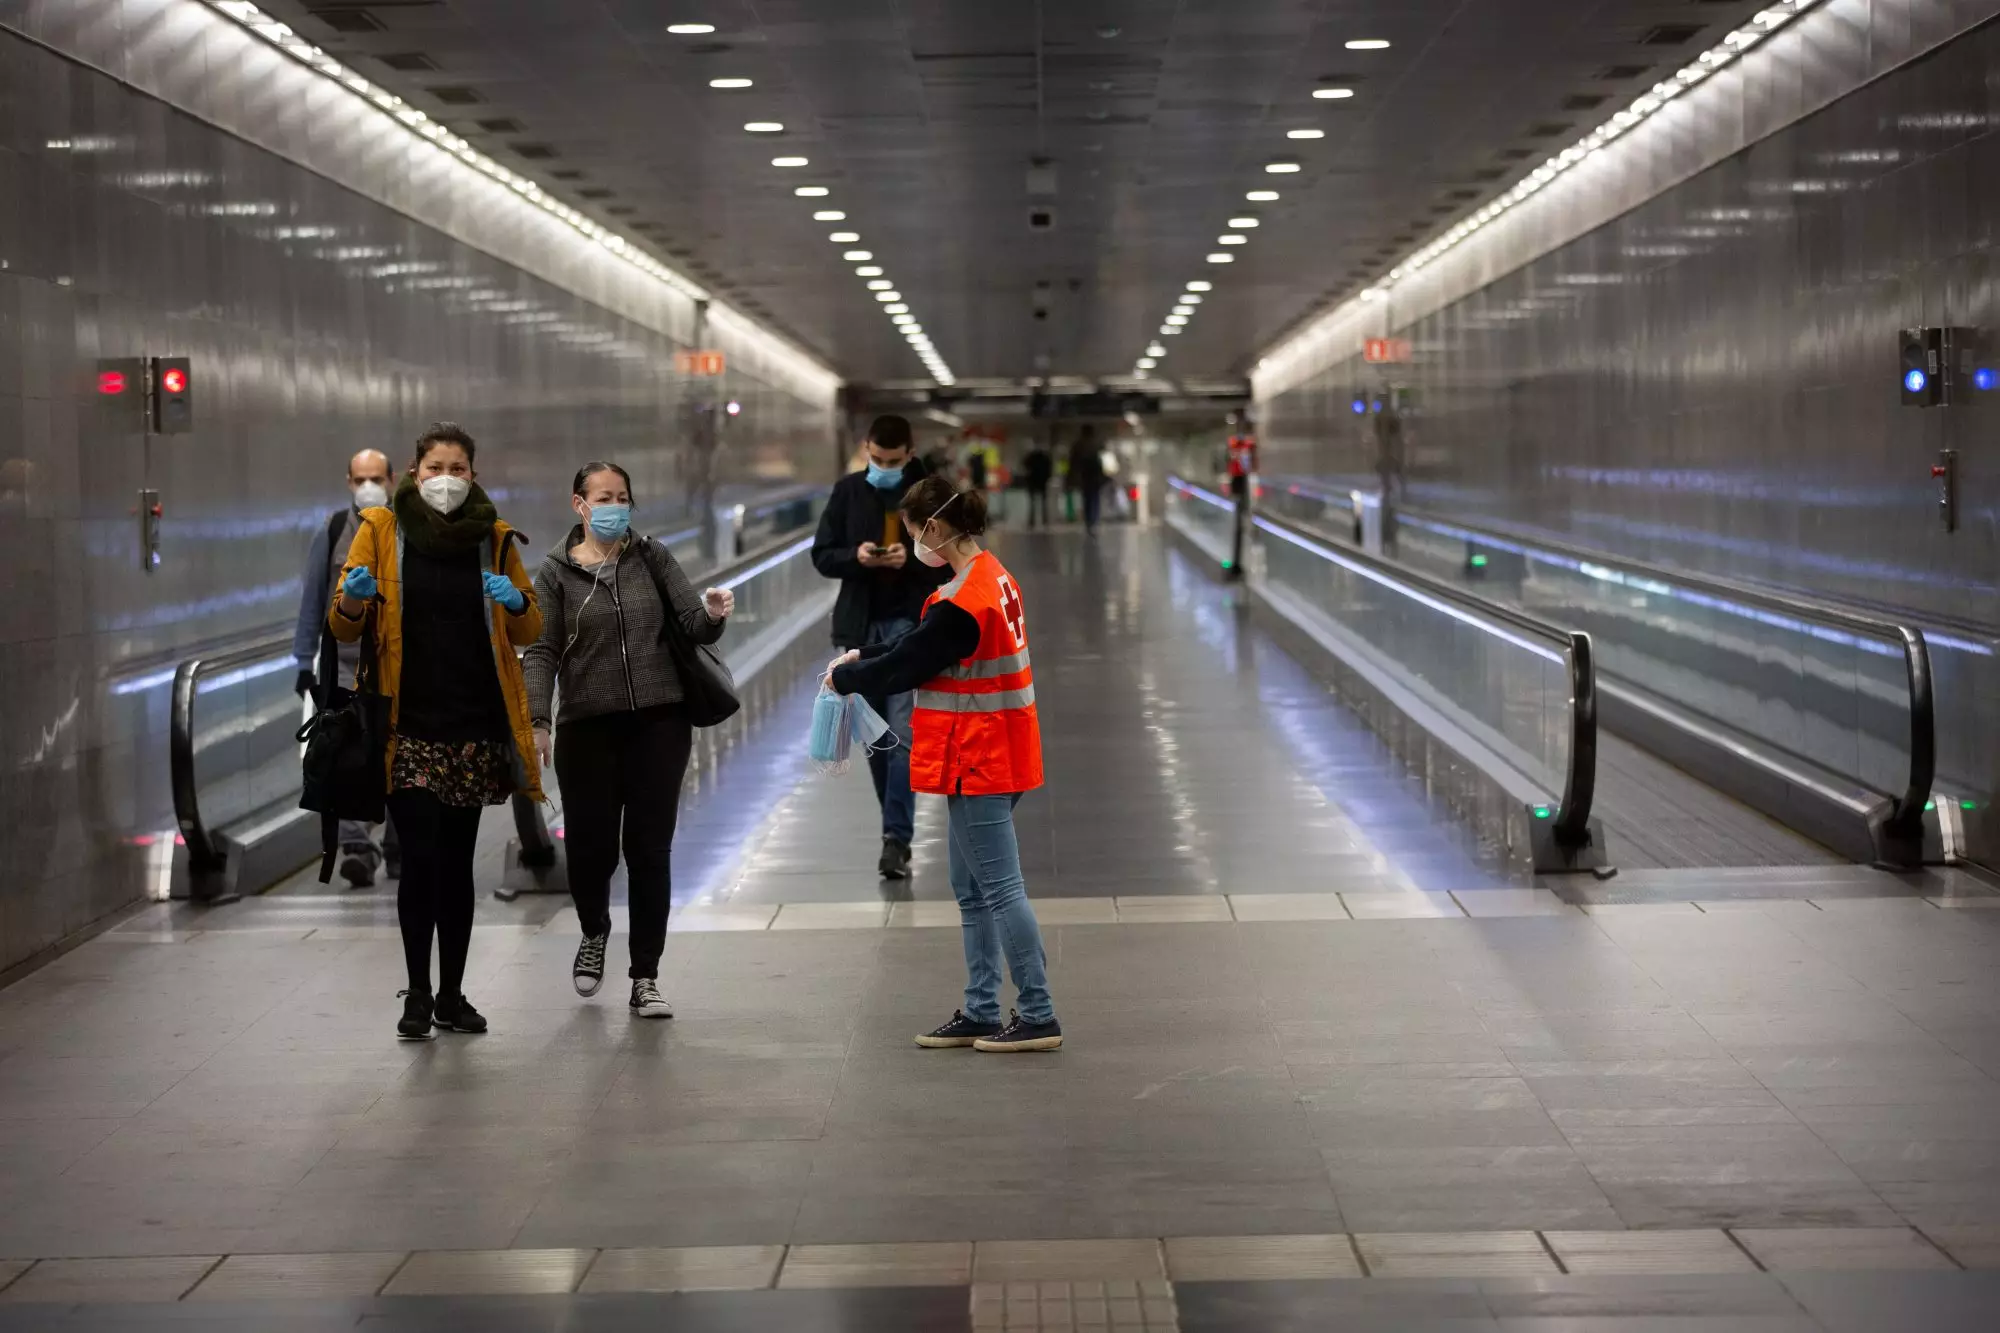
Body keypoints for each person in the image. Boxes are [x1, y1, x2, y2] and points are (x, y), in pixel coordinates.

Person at [826, 476, 1062, 1052]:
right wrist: (866, 654)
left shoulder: (967, 599)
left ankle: (1037, 1012)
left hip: (981, 754)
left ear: (933, 528)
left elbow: (912, 661)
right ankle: (981, 1007)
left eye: (912, 531)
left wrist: (848, 675)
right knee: (971, 887)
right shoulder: (989, 578)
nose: (913, 545)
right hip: (992, 747)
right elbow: (922, 645)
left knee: (1000, 889)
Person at [330, 423, 543, 1040]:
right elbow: (343, 627)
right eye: (433, 467)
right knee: (420, 860)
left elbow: (531, 630)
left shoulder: (495, 539)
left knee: (455, 866)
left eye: (457, 467)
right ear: (414, 473)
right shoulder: (380, 532)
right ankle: (417, 993)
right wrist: (352, 600)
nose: (444, 478)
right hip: (407, 726)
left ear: (473, 475)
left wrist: (514, 604)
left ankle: (453, 993)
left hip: (472, 726)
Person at [522, 462, 735, 1019]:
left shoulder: (652, 557)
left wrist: (712, 615)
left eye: (623, 497)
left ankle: (646, 975)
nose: (615, 506)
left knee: (649, 850)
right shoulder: (553, 573)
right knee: (591, 851)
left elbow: (691, 622)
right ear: (580, 505)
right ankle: (594, 930)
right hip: (586, 728)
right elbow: (540, 650)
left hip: (659, 725)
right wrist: (538, 721)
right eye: (603, 497)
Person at [811, 415, 950, 879]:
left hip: (909, 626)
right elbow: (822, 554)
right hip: (860, 628)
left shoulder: (930, 497)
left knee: (902, 735)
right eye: (876, 458)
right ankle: (894, 829)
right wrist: (858, 556)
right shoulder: (849, 491)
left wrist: (906, 562)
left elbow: (950, 562)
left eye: (893, 460)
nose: (883, 466)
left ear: (910, 453)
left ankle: (896, 838)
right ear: (866, 449)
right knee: (875, 737)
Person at [293, 448, 401, 887]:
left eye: (376, 477)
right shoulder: (334, 529)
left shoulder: (405, 530)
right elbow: (312, 599)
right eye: (360, 479)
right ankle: (357, 846)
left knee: (395, 755)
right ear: (348, 482)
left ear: (392, 480)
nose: (368, 486)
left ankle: (398, 845)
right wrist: (303, 662)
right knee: (347, 755)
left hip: (395, 667)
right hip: (343, 667)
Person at [1066, 426, 1107, 532]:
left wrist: (1071, 476)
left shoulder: (1078, 445)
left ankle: (1089, 520)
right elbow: (1105, 460)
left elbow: (1073, 462)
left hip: (1084, 475)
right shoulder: (1098, 445)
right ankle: (1094, 519)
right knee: (1095, 497)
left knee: (1087, 498)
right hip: (1096, 475)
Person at [1022, 443, 1054, 528]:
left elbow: (1025, 466)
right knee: (1043, 502)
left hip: (1033, 481)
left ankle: (1032, 521)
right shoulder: (1045, 457)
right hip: (1042, 481)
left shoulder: (1031, 457)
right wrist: (1047, 477)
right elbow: (1049, 469)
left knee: (1032, 503)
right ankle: (1045, 520)